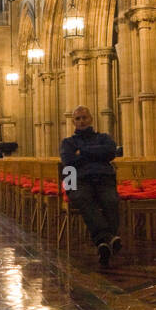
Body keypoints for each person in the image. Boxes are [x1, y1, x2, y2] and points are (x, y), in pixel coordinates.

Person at [60, 105, 120, 268]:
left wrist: (82, 152)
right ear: (73, 122)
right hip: (78, 180)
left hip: (103, 178)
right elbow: (68, 161)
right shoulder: (68, 142)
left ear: (91, 119)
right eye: (78, 119)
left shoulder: (103, 138)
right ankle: (108, 239)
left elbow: (110, 151)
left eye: (84, 117)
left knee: (111, 200)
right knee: (81, 197)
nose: (81, 121)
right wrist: (96, 154)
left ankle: (103, 243)